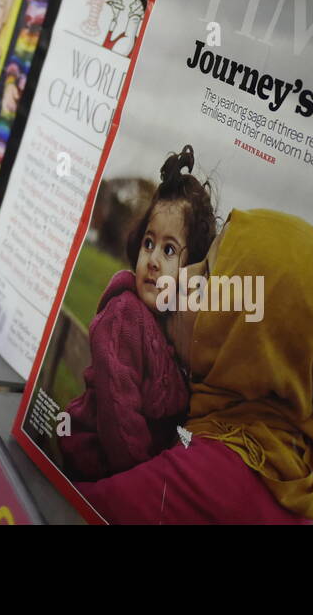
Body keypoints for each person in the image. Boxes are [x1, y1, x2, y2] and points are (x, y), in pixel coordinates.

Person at [75, 208, 313, 523]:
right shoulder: (285, 456)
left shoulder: (213, 481)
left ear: (252, 338)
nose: (183, 276)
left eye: (207, 276)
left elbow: (57, 507)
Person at [59, 147, 216, 481]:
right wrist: (143, 480)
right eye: (149, 243)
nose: (153, 259)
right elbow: (119, 414)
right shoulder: (126, 316)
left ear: (193, 268)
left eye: (169, 249)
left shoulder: (176, 327)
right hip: (96, 466)